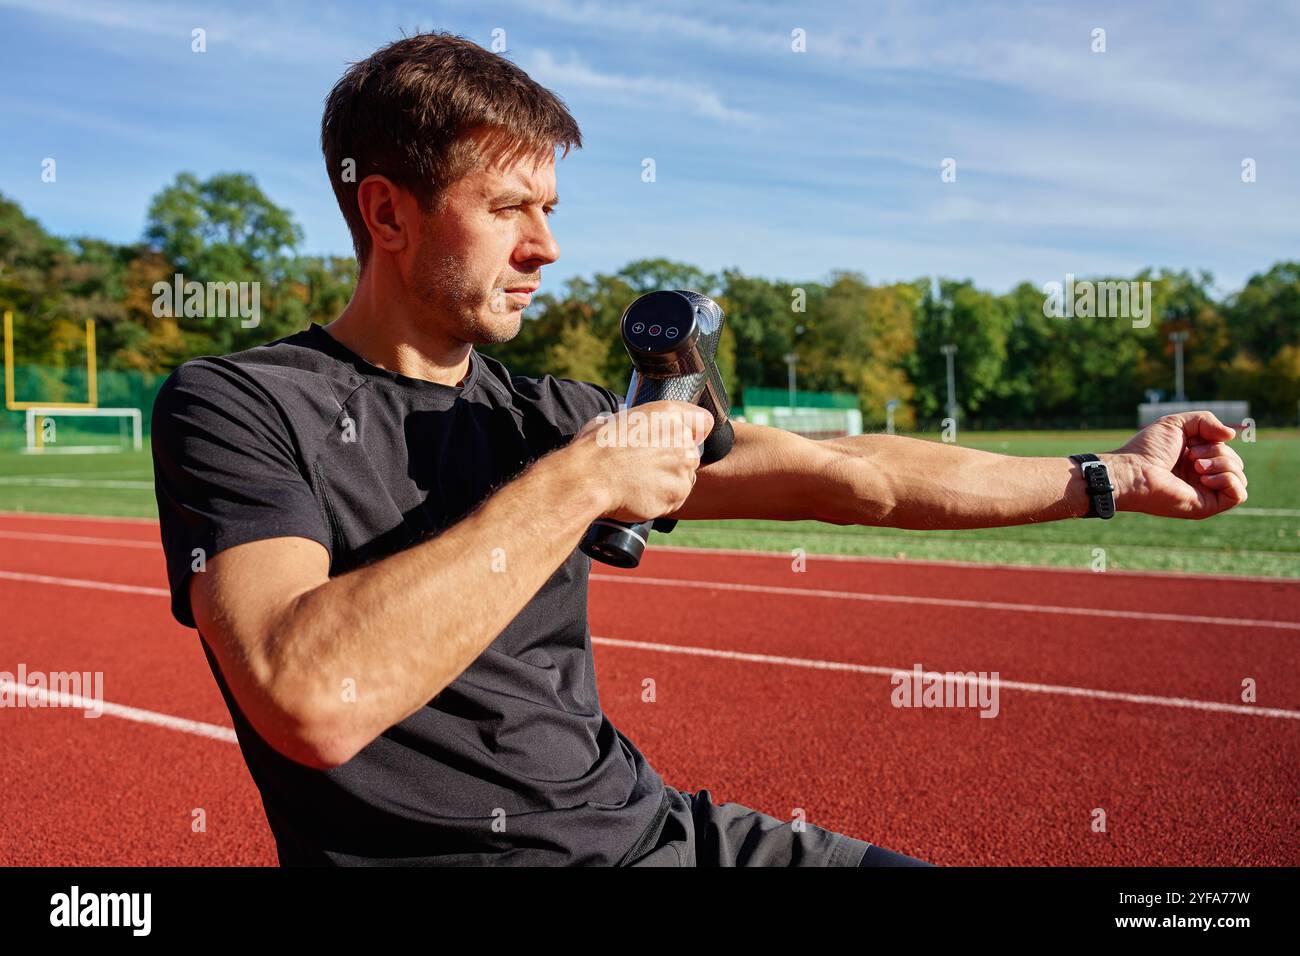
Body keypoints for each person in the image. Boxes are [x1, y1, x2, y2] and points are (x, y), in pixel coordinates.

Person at [150, 32, 1248, 867]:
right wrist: (582, 479)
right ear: (386, 213)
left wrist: (1108, 475)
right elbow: (309, 695)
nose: (547, 245)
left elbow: (851, 472)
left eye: (550, 205)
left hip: (657, 835)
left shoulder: (549, 411)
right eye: (507, 208)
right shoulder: (239, 403)